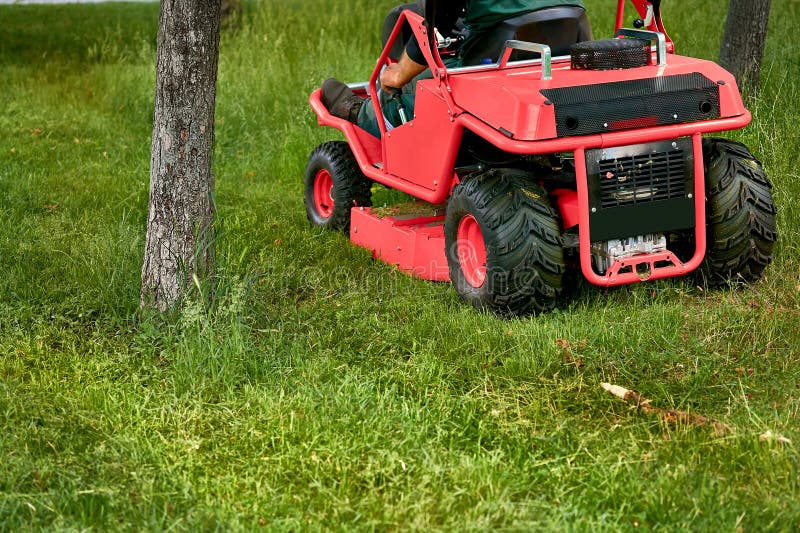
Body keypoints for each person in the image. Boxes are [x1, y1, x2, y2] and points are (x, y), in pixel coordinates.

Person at [322, 0, 589, 137]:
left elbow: (437, 25)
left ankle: (370, 113)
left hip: (495, 69)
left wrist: (397, 74)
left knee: (425, 86)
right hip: (560, 60)